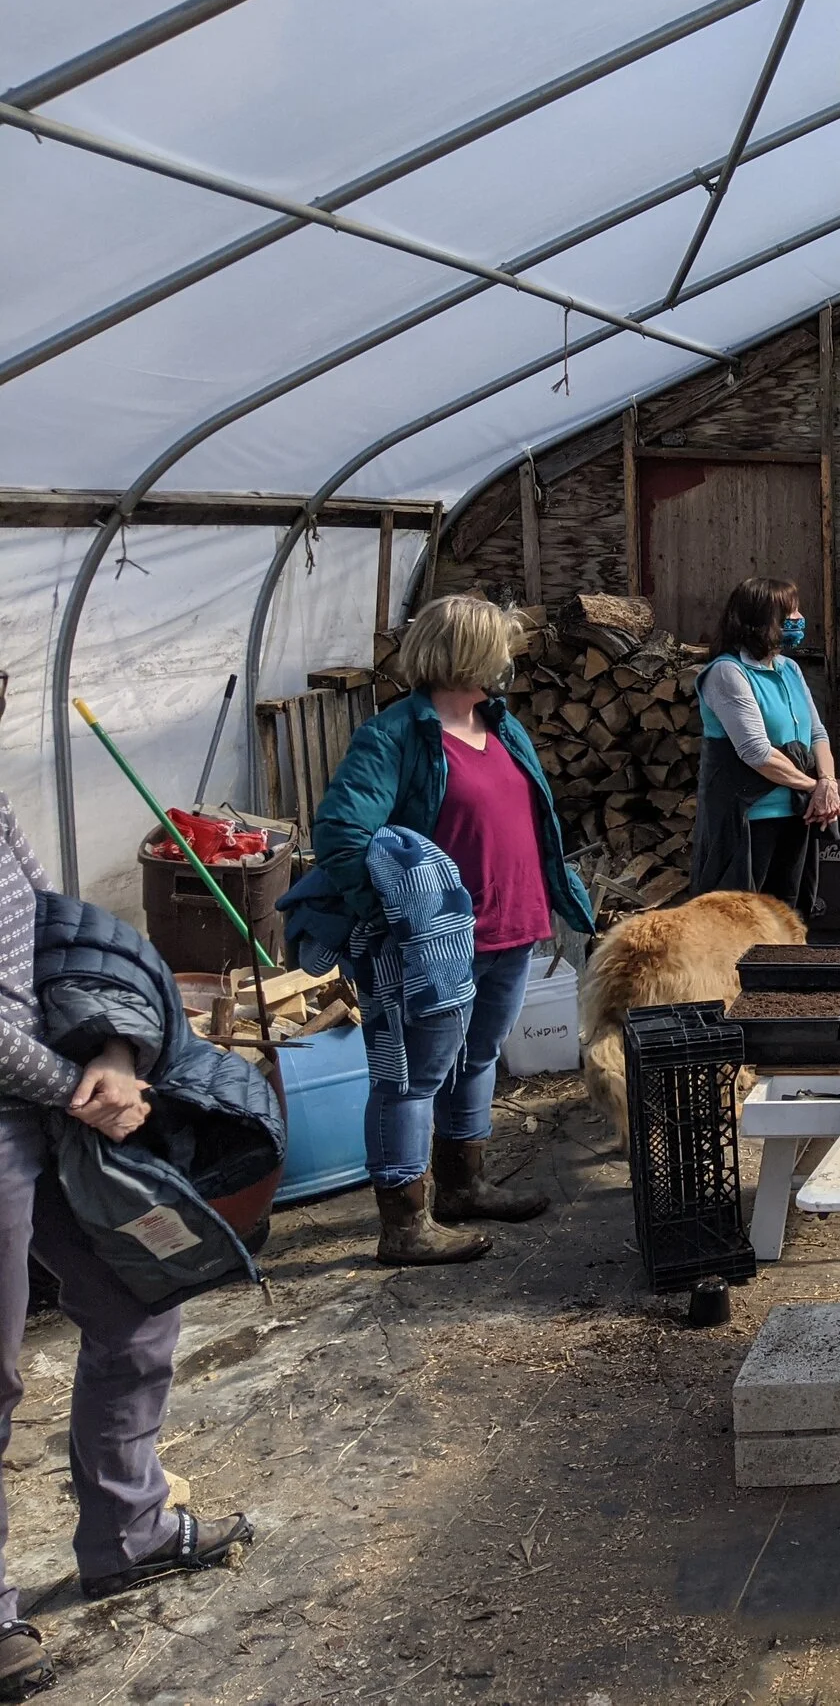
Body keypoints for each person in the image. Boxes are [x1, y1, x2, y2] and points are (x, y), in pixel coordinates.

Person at [0, 778, 252, 1692]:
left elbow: (54, 924)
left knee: (137, 1299)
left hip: (53, 1112)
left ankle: (127, 1529)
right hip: (32, 1110)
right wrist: (81, 1083)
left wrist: (112, 1045)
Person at [313, 595, 593, 1266]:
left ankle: (463, 1186)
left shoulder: (500, 725)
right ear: (467, 653)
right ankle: (404, 1222)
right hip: (436, 945)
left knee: (479, 1057)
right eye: (498, 646)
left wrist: (553, 900)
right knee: (411, 1074)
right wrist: (394, 919)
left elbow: (534, 826)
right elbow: (342, 834)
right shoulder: (396, 736)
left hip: (508, 926)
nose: (507, 659)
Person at [690, 576, 840, 907]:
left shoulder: (789, 669)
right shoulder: (727, 673)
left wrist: (827, 782)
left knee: (789, 917)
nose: (799, 618)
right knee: (739, 920)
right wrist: (813, 787)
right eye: (788, 612)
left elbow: (817, 734)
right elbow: (755, 752)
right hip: (748, 821)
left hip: (797, 815)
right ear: (759, 621)